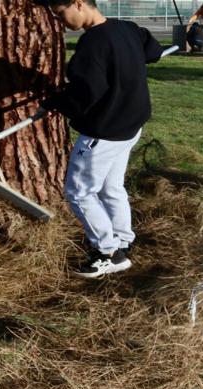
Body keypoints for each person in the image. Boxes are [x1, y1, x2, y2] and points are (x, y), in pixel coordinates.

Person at [34, 0, 165, 278]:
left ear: (79, 4)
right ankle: (122, 240)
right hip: (130, 125)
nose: (60, 21)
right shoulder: (126, 29)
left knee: (78, 192)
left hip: (104, 132)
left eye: (61, 14)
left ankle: (106, 252)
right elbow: (153, 50)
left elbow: (84, 94)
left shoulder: (92, 44)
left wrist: (53, 102)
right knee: (111, 187)